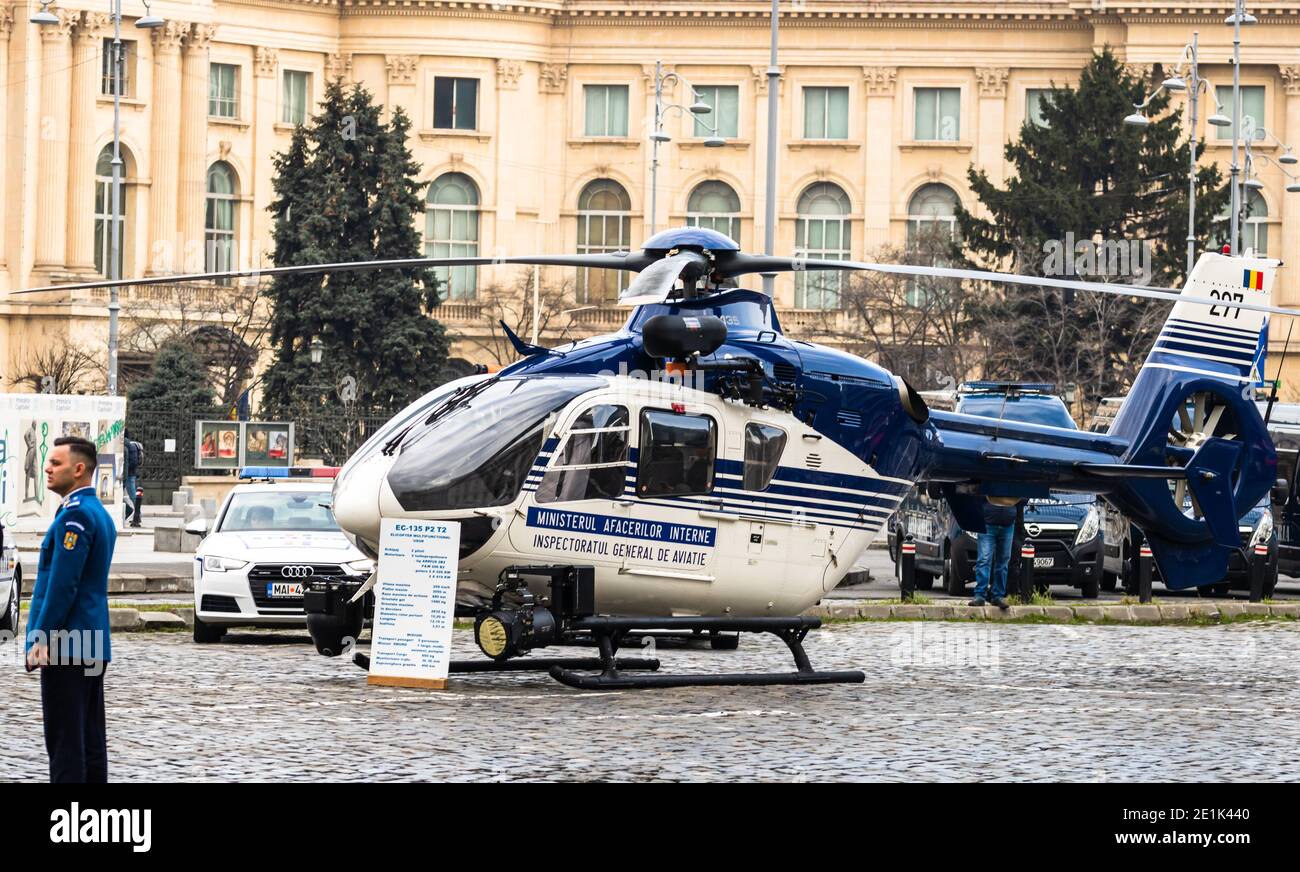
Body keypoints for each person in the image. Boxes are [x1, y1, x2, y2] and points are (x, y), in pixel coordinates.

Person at [25, 436, 117, 783]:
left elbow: (63, 586)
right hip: (92, 640)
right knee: (90, 738)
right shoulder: (98, 513)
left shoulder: (75, 516)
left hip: (67, 645)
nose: (47, 468)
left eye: (56, 463)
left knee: (65, 742)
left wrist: (41, 638)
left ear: (79, 470)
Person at [970, 496, 1019, 609]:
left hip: (1005, 522)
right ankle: (981, 595)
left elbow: (1023, 496)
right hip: (989, 522)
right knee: (985, 559)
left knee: (1002, 561)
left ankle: (996, 596)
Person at [123, 431, 143, 528]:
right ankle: (135, 514)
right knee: (132, 495)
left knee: (133, 495)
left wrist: (126, 469)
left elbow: (133, 462)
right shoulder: (129, 445)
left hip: (129, 474)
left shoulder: (127, 446)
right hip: (130, 474)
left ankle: (137, 515)